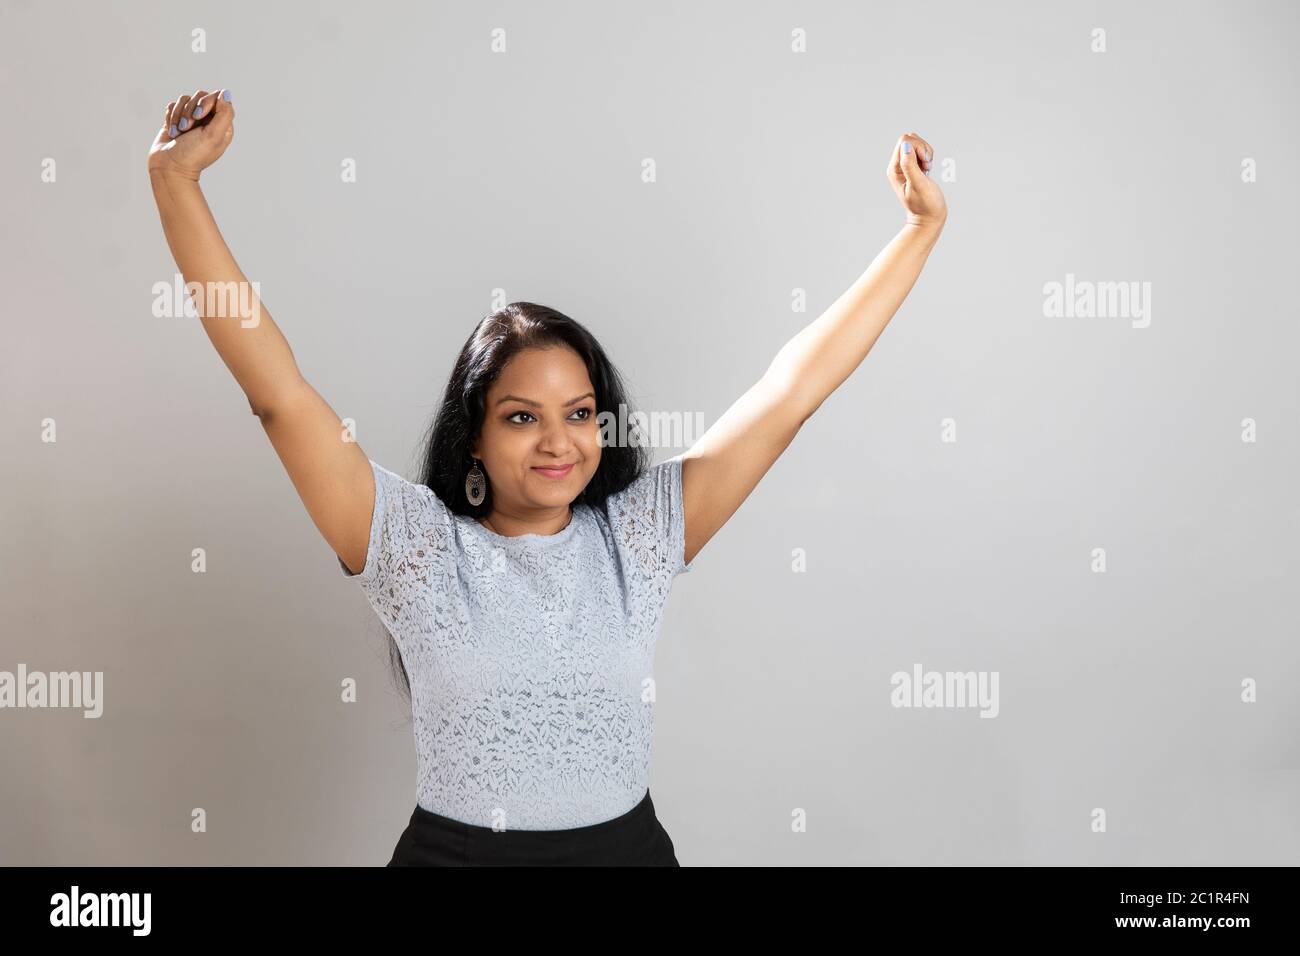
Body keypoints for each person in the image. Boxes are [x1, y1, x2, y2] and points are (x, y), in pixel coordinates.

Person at [147, 87, 947, 865]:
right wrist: (175, 181)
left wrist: (917, 230)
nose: (558, 441)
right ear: (475, 438)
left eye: (579, 412)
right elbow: (279, 397)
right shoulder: (414, 548)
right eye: (522, 416)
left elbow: (790, 392)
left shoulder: (638, 535)